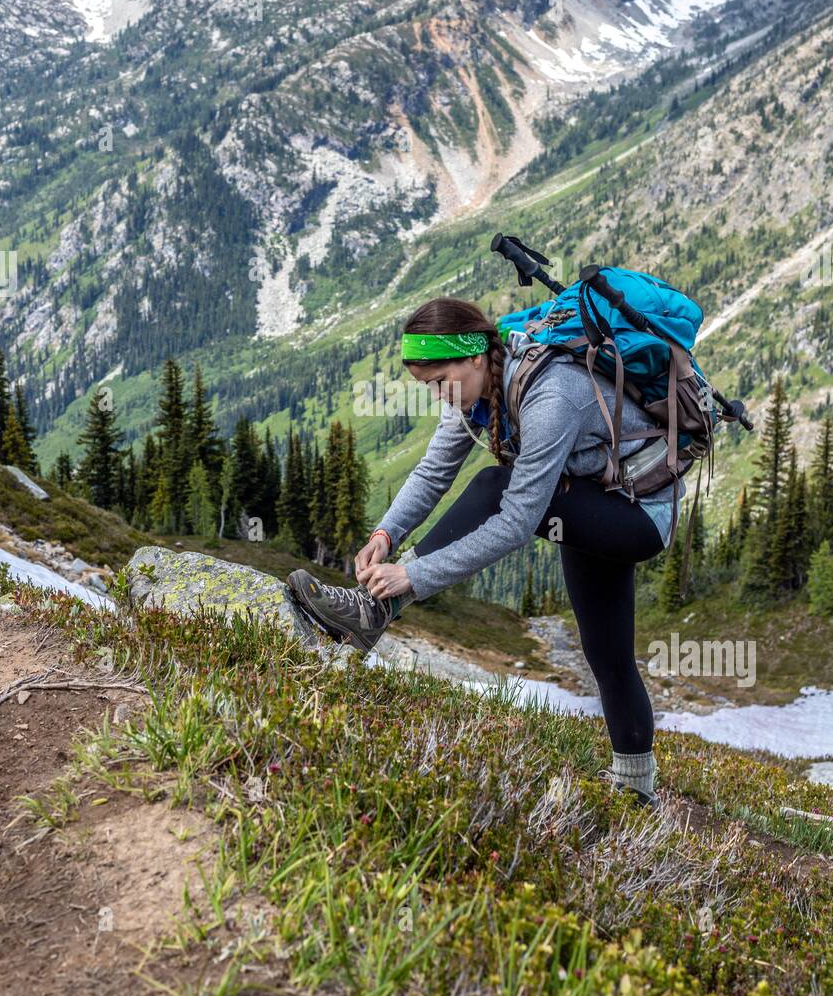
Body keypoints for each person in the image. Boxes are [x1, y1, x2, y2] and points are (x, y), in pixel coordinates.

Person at [288, 295, 688, 809]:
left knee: (497, 485)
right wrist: (385, 534)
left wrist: (413, 574)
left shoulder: (552, 394)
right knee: (607, 654)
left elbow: (517, 522)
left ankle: (375, 610)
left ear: (475, 358)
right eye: (426, 387)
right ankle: (636, 789)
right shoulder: (478, 393)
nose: (437, 397)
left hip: (637, 517)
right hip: (589, 499)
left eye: (438, 382)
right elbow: (433, 472)